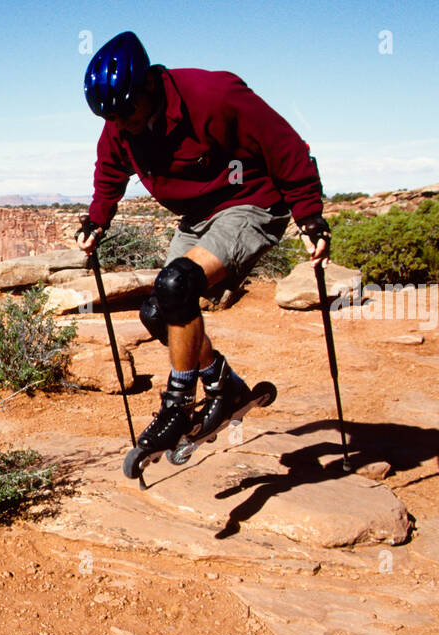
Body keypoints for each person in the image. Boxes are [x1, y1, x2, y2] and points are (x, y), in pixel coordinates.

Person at [76, 31, 330, 457]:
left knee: (179, 286)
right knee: (157, 312)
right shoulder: (120, 123)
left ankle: (176, 407)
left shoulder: (214, 95)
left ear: (149, 85)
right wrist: (96, 220)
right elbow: (110, 171)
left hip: (251, 202)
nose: (121, 124)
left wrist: (309, 214)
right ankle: (222, 384)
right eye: (112, 118)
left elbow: (283, 144)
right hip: (197, 216)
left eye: (126, 112)